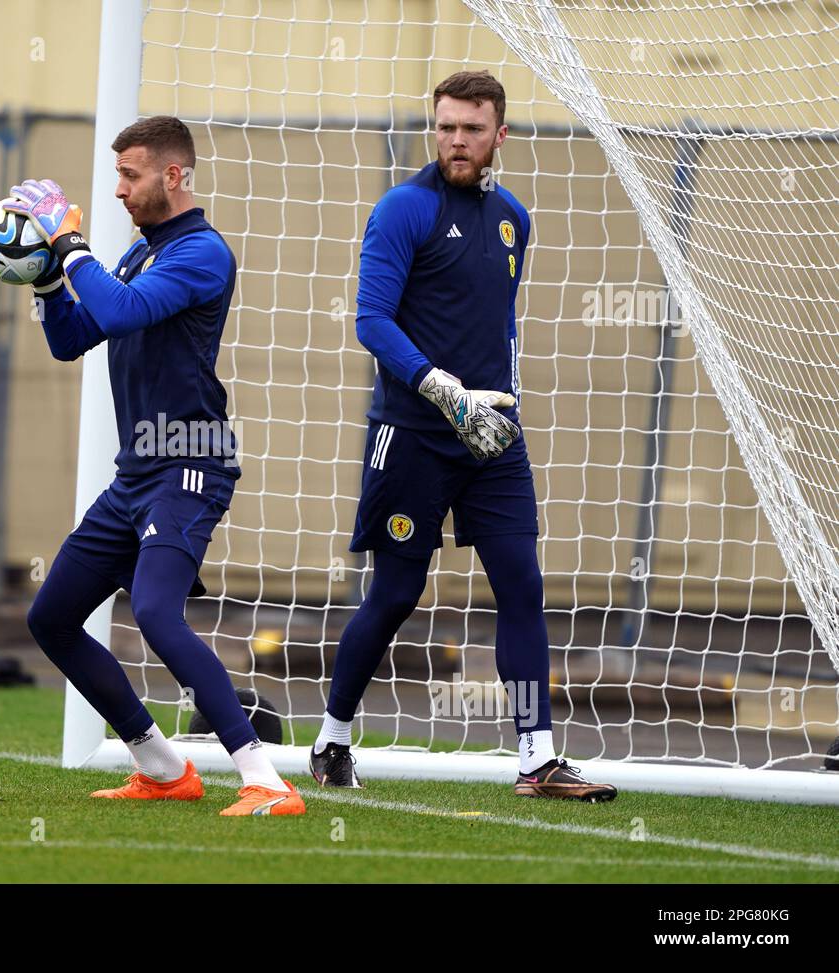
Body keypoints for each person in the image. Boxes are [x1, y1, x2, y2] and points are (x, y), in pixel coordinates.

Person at [310, 72, 617, 802]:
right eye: (445, 126)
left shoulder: (513, 218)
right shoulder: (402, 209)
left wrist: (498, 402)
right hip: (414, 431)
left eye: (472, 129)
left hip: (491, 437)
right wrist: (441, 387)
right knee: (396, 592)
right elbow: (372, 321)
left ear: (499, 135)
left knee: (522, 584)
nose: (456, 140)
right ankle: (332, 738)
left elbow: (500, 321)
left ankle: (537, 760)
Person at [4, 115, 305, 816]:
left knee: (157, 614)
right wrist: (48, 280)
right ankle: (162, 765)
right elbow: (77, 334)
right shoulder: (144, 252)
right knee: (51, 618)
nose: (118, 190)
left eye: (130, 174)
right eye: (117, 175)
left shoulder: (201, 253)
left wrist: (69, 245)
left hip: (190, 463)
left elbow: (122, 308)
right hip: (139, 469)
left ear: (173, 175)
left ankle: (266, 780)